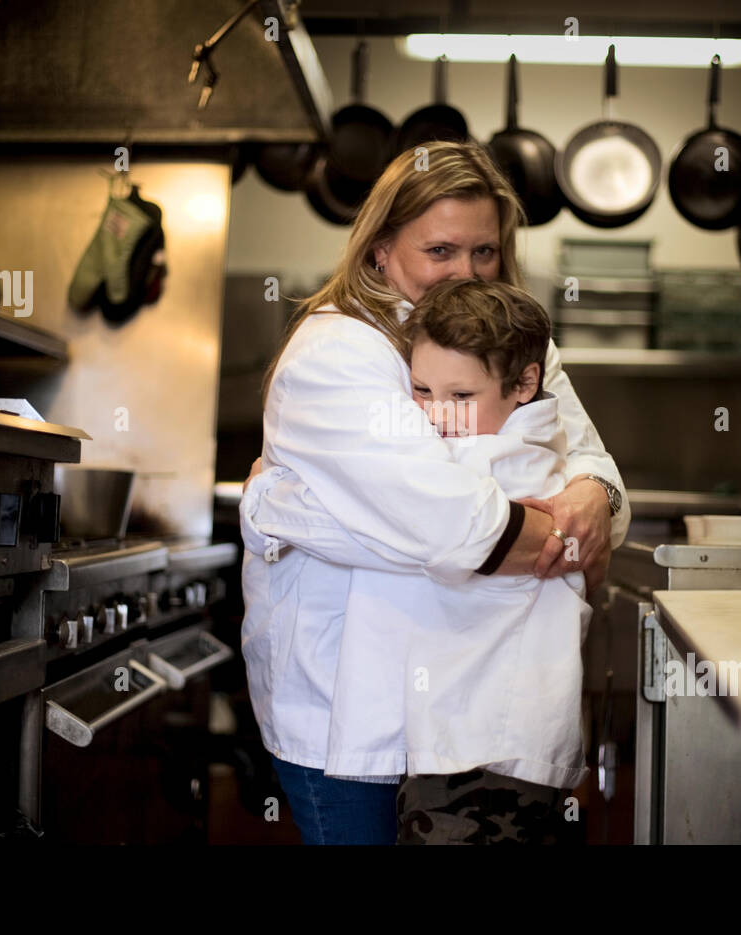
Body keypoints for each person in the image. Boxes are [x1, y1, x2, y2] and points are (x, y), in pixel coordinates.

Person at [239, 141, 629, 845]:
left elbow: (599, 473)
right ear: (381, 249)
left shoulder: (512, 341)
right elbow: (454, 527)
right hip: (344, 715)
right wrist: (565, 536)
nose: (465, 272)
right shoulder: (335, 350)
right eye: (440, 250)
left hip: (469, 709)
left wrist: (597, 497)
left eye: (484, 252)